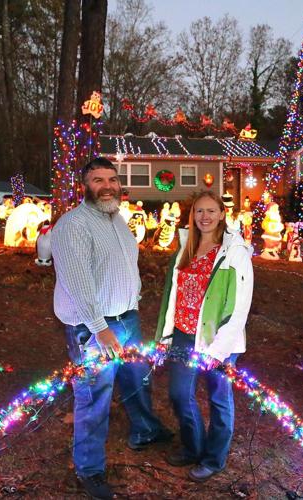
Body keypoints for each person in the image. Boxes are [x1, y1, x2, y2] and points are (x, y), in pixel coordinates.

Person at [51, 157, 171, 500]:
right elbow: (77, 280)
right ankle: (89, 468)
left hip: (126, 319)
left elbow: (121, 265)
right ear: (84, 187)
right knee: (93, 395)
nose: (107, 185)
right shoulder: (74, 225)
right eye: (98, 180)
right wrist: (99, 327)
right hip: (94, 328)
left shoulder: (117, 219)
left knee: (136, 379)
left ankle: (145, 430)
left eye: (112, 179)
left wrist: (133, 296)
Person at [155, 191, 254, 482]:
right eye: (199, 211)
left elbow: (240, 306)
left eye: (211, 211)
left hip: (218, 340)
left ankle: (214, 459)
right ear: (192, 215)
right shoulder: (186, 247)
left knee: (219, 398)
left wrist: (218, 350)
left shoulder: (235, 251)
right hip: (184, 335)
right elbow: (173, 296)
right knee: (179, 394)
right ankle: (193, 446)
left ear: (222, 214)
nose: (205, 217)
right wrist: (167, 336)